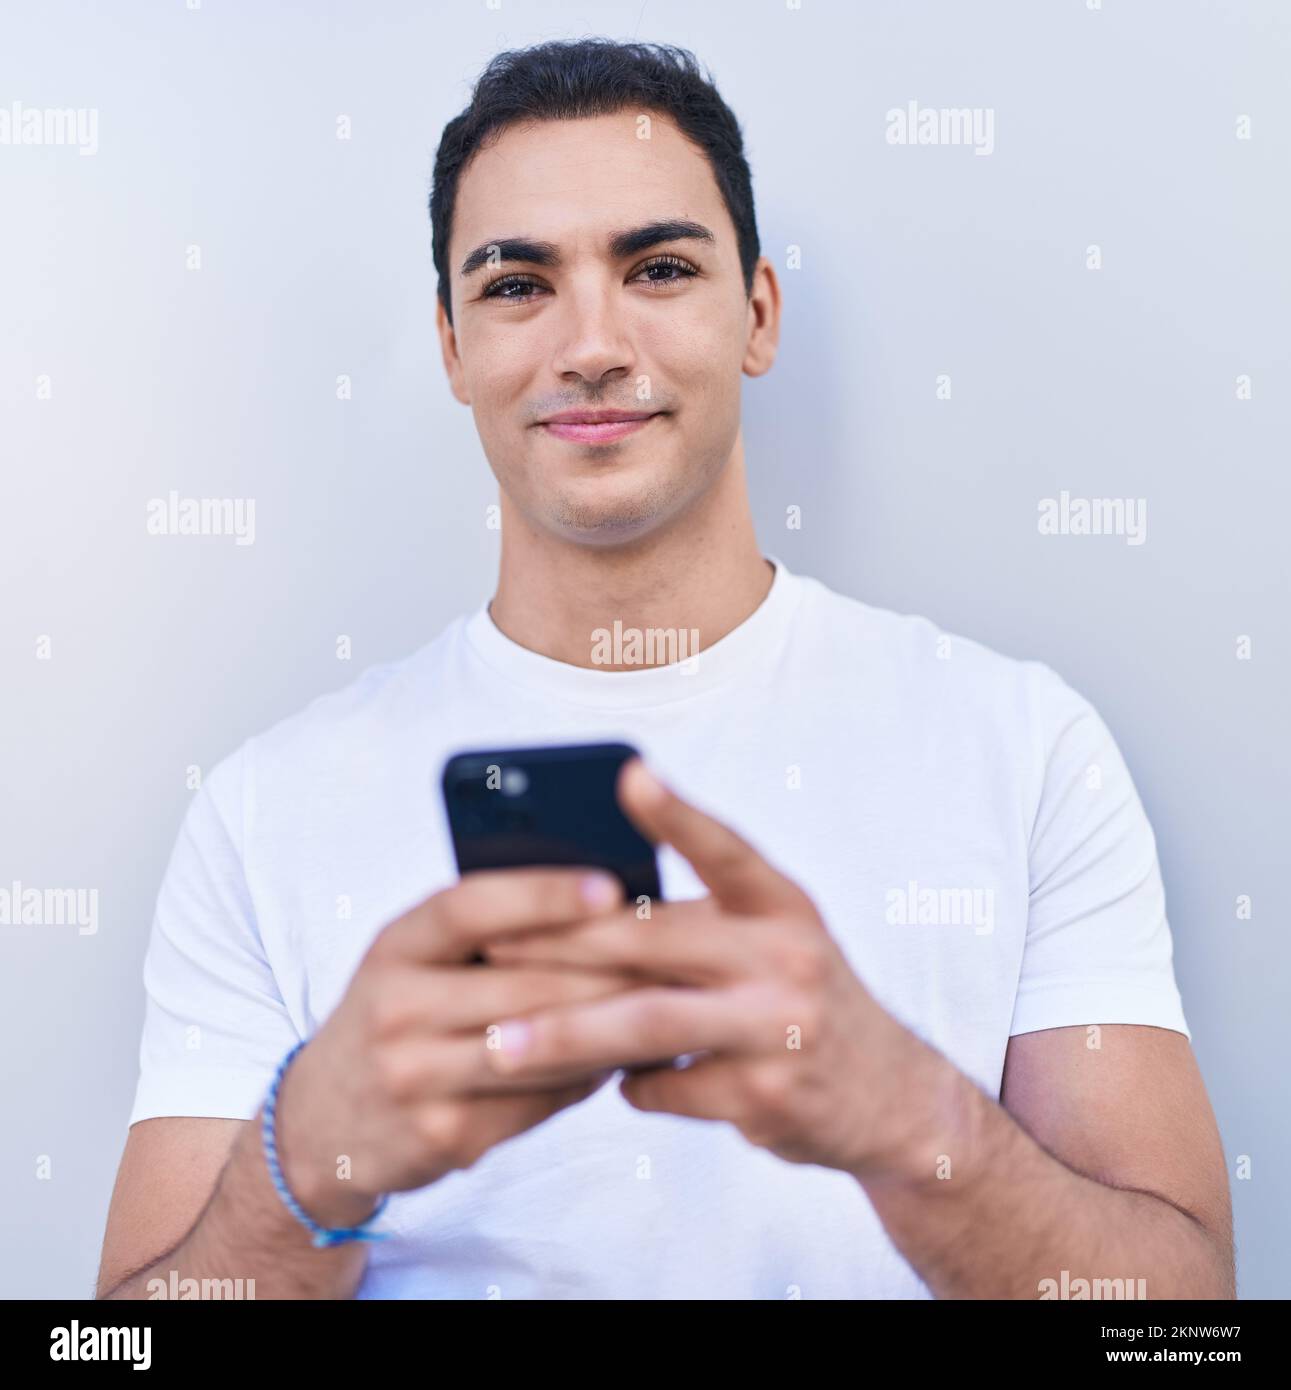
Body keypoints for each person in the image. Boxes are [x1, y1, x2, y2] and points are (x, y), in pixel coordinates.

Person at [98, 39, 1232, 1300]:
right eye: (518, 285)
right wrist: (303, 1161)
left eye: (657, 269)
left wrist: (908, 1117)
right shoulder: (261, 811)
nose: (590, 344)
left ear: (756, 313)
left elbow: (1179, 1321)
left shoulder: (1024, 749)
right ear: (451, 344)